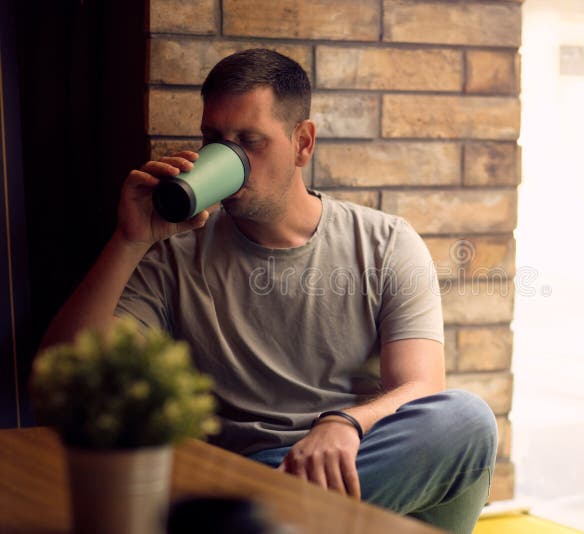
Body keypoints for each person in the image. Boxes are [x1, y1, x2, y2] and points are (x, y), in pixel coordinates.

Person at [41, 48, 497, 533]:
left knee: (465, 420)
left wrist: (343, 423)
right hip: (240, 475)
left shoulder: (384, 243)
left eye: (249, 141)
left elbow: (421, 387)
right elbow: (66, 375)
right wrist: (128, 240)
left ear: (303, 143)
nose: (229, 156)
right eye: (213, 140)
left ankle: (258, 523)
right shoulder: (173, 253)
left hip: (354, 460)